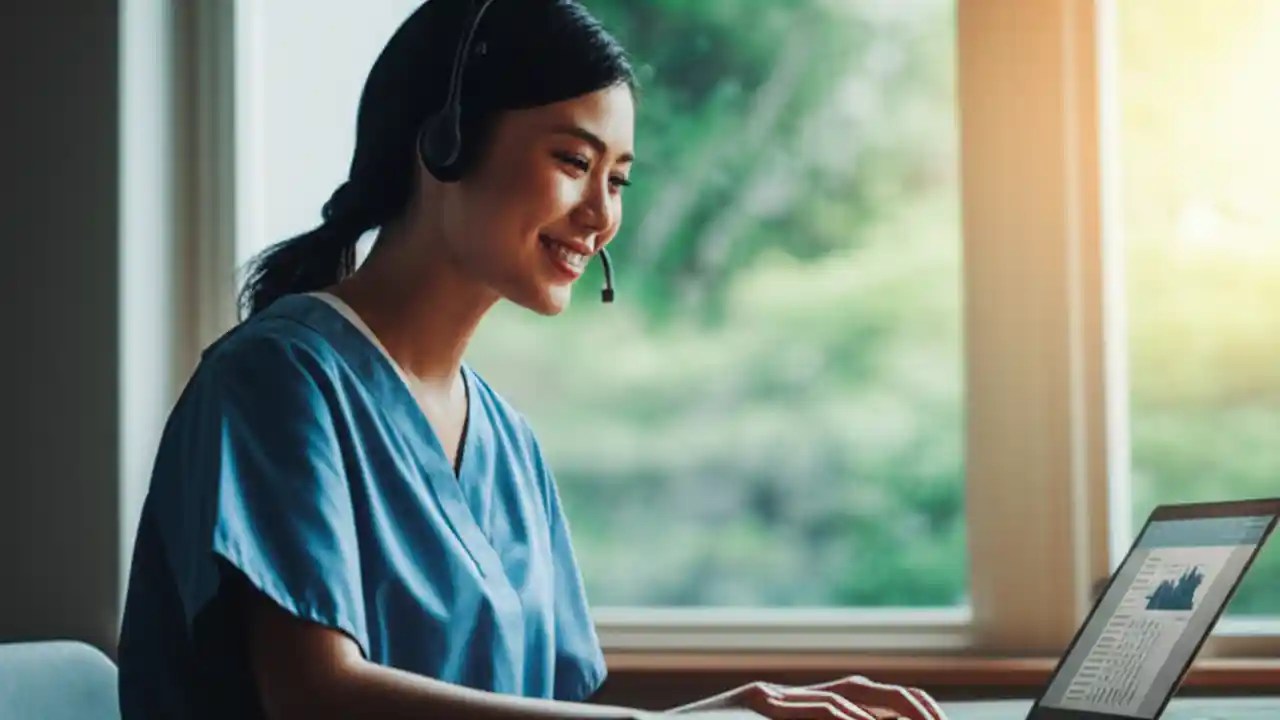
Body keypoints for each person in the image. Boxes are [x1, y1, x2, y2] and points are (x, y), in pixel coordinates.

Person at [117, 1, 948, 719]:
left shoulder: (508, 445)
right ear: (442, 146)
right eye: (573, 161)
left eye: (618, 179)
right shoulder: (278, 382)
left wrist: (740, 710)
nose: (601, 214)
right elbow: (314, 698)